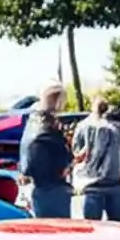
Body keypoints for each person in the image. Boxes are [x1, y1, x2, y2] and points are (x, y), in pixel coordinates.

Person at [18, 81, 73, 218]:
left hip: (39, 186)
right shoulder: (49, 127)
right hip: (53, 186)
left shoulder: (33, 122)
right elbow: (63, 156)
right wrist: (66, 163)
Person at [72, 94, 120, 222]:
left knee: (91, 228)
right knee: (119, 228)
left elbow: (76, 151)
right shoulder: (117, 128)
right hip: (114, 183)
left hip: (90, 184)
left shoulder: (82, 126)